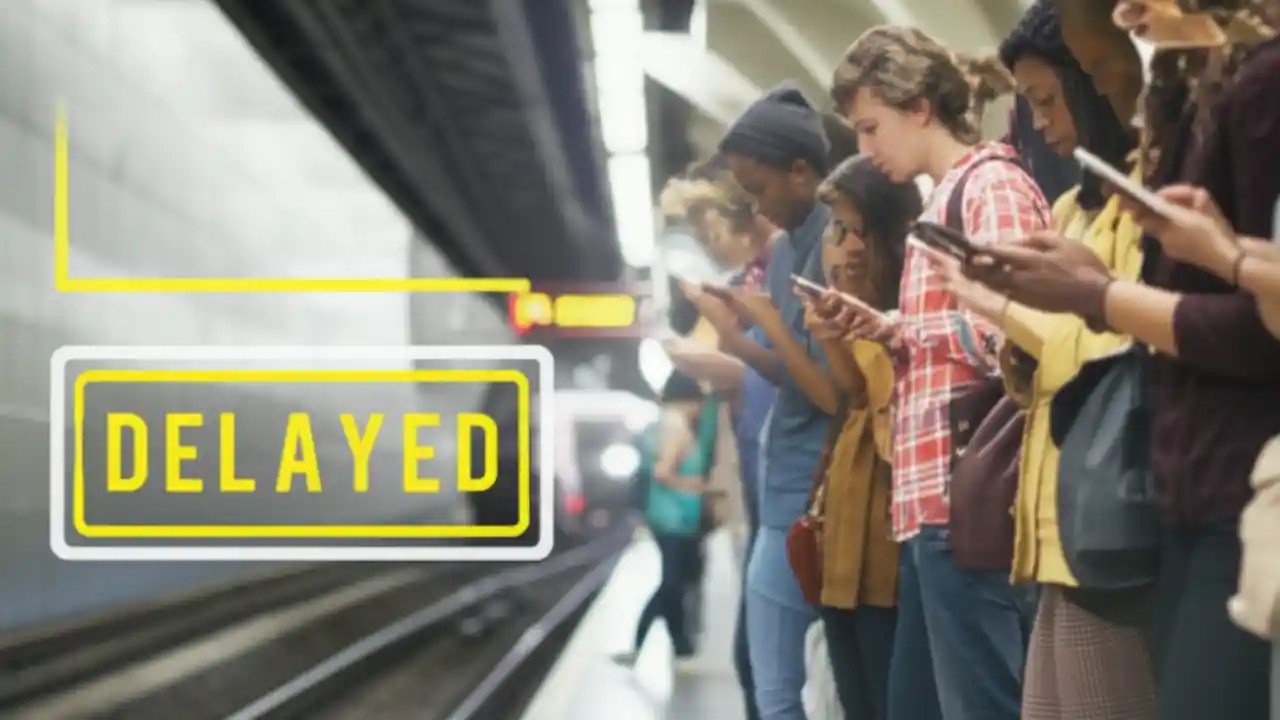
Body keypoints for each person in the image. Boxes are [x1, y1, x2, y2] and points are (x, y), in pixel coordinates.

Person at [955, 5, 1279, 717]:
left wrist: (1099, 295)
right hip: (1176, 494)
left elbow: (1254, 329)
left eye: (1096, 76)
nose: (1128, 14)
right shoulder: (1205, 94)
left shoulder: (1255, 91)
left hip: (1231, 487)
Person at [920, 2, 1157, 718]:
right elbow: (1047, 363)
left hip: (1109, 531)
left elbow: (1117, 355)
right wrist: (1009, 324)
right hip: (1056, 528)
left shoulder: (1147, 203)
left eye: (1052, 99)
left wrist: (1000, 307)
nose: (1044, 124)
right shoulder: (1070, 211)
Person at [829, 25, 1052, 720]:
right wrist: (894, 330)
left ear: (919, 107)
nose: (866, 150)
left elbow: (1017, 336)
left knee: (982, 706)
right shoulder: (946, 197)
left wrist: (913, 331)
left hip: (973, 500)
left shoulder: (991, 188)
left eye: (872, 127)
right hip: (938, 500)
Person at [682, 83, 835, 720]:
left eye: (759, 189)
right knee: (767, 682)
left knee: (804, 685)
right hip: (781, 489)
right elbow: (786, 369)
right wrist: (733, 333)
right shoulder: (784, 254)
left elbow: (831, 387)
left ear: (802, 170)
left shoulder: (834, 241)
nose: (756, 207)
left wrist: (763, 327)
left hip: (818, 493)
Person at [804, 154, 921, 720]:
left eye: (861, 232)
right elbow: (850, 398)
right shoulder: (863, 318)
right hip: (844, 547)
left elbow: (887, 420)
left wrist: (869, 331)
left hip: (889, 556)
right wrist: (831, 338)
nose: (847, 248)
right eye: (839, 230)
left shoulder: (911, 319)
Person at [613, 372, 718, 670]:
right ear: (691, 400)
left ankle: (680, 647)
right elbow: (663, 472)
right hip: (676, 518)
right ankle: (638, 645)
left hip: (666, 516)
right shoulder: (677, 425)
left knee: (676, 581)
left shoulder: (661, 421)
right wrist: (699, 486)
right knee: (672, 583)